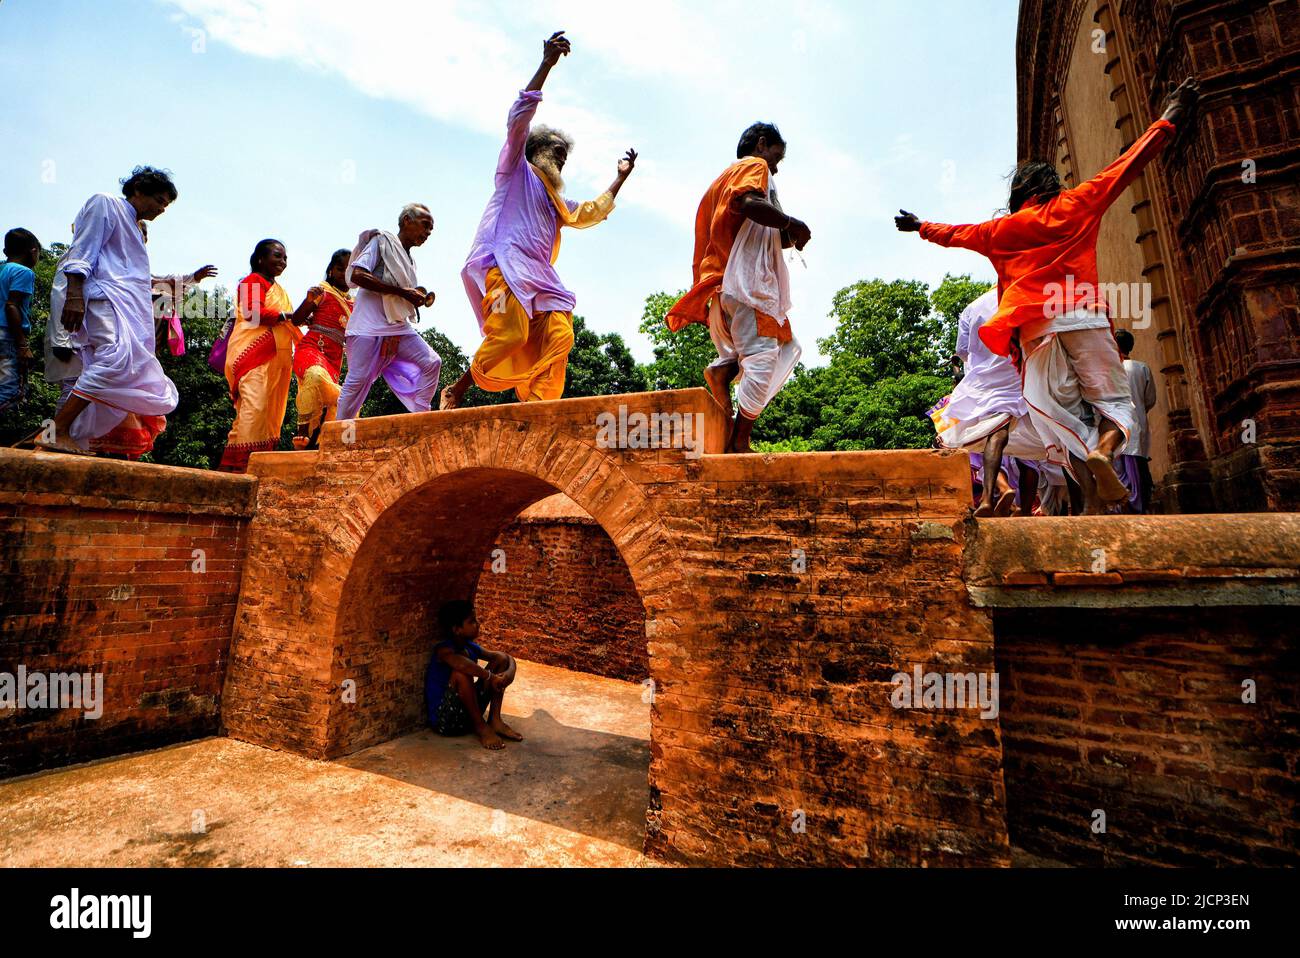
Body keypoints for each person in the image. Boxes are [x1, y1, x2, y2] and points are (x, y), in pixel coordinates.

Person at [896, 78, 1199, 514]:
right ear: (1050, 184)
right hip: (1084, 317)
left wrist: (920, 226)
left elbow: (954, 234)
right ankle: (1105, 454)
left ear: (1018, 194)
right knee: (1114, 403)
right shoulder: (1077, 203)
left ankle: (1094, 503)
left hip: (1036, 332)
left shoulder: (999, 231)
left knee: (1060, 422)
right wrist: (1169, 117)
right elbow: (1127, 165)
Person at [441, 31, 637, 410]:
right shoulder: (515, 171)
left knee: (561, 336)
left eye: (565, 157)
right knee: (510, 334)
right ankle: (459, 387)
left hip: (540, 277)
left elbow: (590, 212)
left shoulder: (556, 202)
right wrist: (546, 65)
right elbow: (518, 120)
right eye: (557, 152)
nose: (562, 160)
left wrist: (621, 177)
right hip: (504, 268)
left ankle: (536, 403)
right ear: (536, 150)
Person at [665, 122, 812, 453]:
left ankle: (725, 369)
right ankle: (739, 442)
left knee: (786, 347)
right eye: (776, 159)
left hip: (725, 285)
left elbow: (750, 227)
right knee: (763, 357)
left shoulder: (719, 182)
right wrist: (793, 223)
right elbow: (747, 204)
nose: (775, 168)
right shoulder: (753, 166)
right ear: (762, 145)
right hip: (747, 283)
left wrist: (790, 236)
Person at [39, 167, 181, 455]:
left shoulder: (135, 226)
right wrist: (75, 296)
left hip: (125, 308)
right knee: (114, 362)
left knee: (124, 367)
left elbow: (139, 278)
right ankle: (58, 430)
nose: (161, 209)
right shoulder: (106, 203)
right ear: (138, 189)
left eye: (166, 205)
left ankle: (69, 434)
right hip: (103, 299)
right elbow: (82, 251)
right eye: (159, 200)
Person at [335, 206, 442, 421]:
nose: (428, 232)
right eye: (425, 225)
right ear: (406, 221)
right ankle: (338, 434)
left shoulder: (411, 261)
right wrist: (403, 292)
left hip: (397, 327)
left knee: (432, 362)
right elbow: (357, 275)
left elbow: (397, 298)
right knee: (358, 381)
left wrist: (413, 296)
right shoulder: (381, 242)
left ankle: (421, 419)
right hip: (367, 326)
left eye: (431, 229)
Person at [935, 287, 1035, 515]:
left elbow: (962, 351)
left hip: (984, 382)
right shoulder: (1022, 297)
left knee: (994, 434)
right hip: (1016, 375)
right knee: (1059, 436)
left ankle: (990, 497)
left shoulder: (973, 307)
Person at [218, 239, 315, 472]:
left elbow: (291, 320)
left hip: (278, 359)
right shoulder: (252, 281)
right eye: (277, 256)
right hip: (252, 355)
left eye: (285, 258)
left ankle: (254, 466)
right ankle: (241, 467)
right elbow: (252, 313)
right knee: (255, 408)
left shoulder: (280, 291)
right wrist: (288, 315)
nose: (283, 262)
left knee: (271, 414)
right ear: (260, 258)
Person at [425, 600, 523, 751]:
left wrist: (508, 675)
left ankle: (495, 720)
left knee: (500, 661)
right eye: (471, 621)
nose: (477, 624)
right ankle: (481, 727)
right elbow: (462, 665)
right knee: (462, 673)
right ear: (457, 629)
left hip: (467, 715)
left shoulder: (470, 646)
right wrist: (490, 677)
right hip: (446, 721)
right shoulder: (443, 650)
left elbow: (504, 657)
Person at [292, 249, 353, 449]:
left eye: (349, 269)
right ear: (330, 271)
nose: (344, 273)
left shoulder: (356, 303)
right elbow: (297, 320)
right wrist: (309, 300)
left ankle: (340, 444)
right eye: (340, 269)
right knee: (315, 376)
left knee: (349, 399)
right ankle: (302, 431)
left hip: (334, 360)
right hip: (311, 349)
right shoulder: (321, 292)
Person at [1114, 328, 1158, 512]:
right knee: (1138, 467)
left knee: (1119, 468)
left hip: (1114, 426)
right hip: (1137, 422)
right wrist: (1139, 410)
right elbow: (1150, 399)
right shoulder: (1142, 368)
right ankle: (1137, 505)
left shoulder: (1110, 370)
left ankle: (1121, 506)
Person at [0, 228, 40, 418]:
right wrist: (23, 345)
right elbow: (11, 306)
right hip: (8, 335)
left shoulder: (3, 269)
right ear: (33, 251)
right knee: (10, 391)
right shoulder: (24, 272)